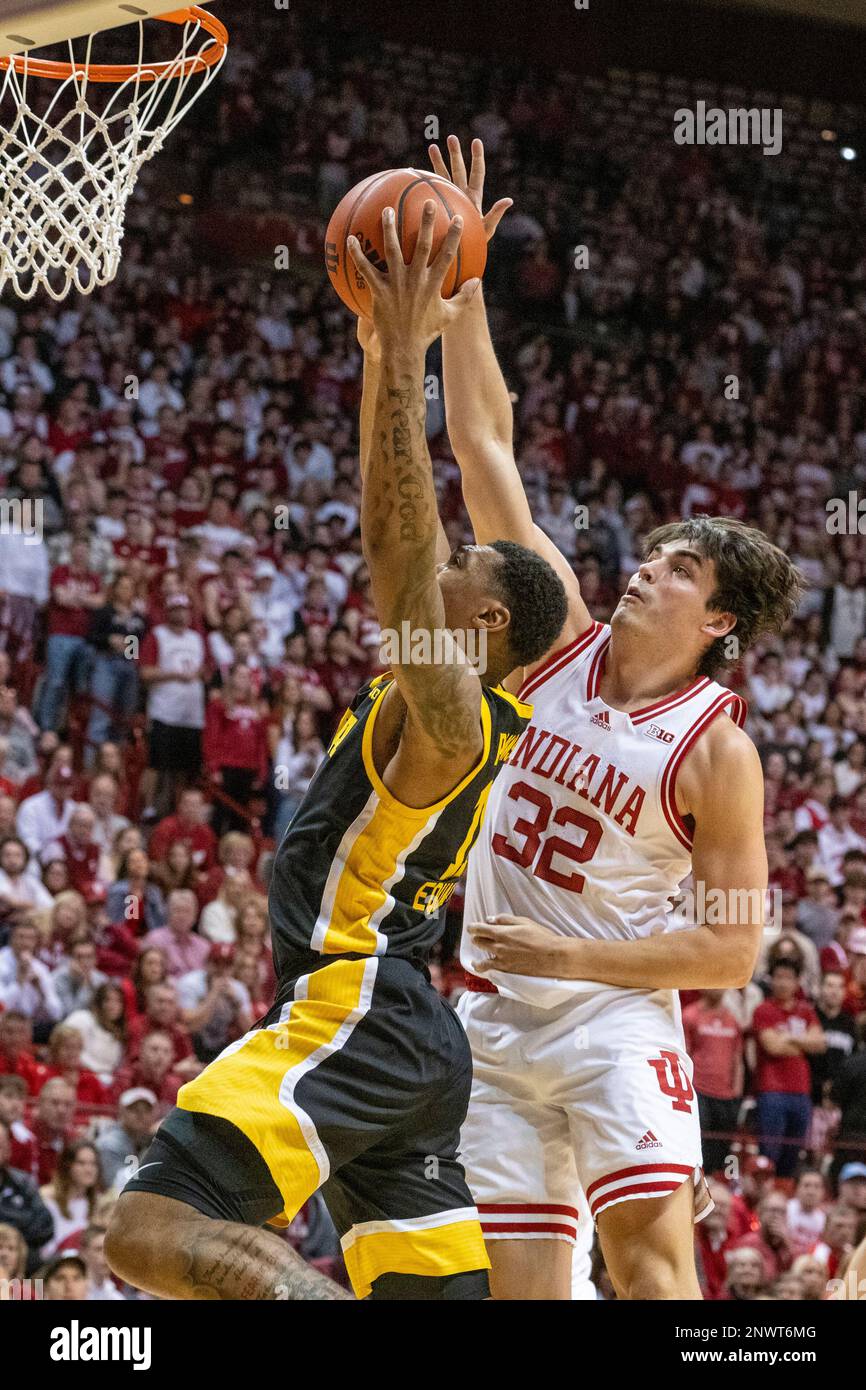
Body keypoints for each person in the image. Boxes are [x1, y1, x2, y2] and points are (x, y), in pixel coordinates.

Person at [105, 203, 568, 1302]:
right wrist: (395, 349)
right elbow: (473, 460)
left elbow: (398, 553)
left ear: (487, 623)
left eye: (464, 564)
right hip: (409, 1032)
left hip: (355, 999)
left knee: (146, 1225)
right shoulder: (471, 703)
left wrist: (402, 356)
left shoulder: (452, 709)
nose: (444, 560)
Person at [428, 137, 803, 1299]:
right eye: (652, 554)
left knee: (650, 1277)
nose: (647, 569)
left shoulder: (716, 747)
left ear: (719, 620)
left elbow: (732, 948)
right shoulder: (551, 639)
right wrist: (465, 286)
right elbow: (483, 445)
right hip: (487, 1025)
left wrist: (572, 954)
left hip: (611, 1024)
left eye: (679, 568)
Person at [752, 960, 825, 1177]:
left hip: (801, 1093)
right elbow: (772, 1047)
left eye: (788, 978)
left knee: (793, 1153)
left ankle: (785, 1194)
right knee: (769, 1152)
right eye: (779, 977)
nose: (783, 983)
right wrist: (804, 1044)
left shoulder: (806, 1010)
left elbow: (820, 1044)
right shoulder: (763, 1010)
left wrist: (789, 1038)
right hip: (771, 1091)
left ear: (797, 982)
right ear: (771, 981)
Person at [681, 989, 743, 1176]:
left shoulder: (732, 1020)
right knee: (700, 1142)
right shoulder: (690, 1016)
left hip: (726, 1094)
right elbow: (684, 1054)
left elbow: (737, 1059)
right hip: (699, 1090)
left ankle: (718, 1182)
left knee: (723, 1145)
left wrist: (736, 1092)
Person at [0, 1118, 54, 1272]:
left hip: (23, 1264)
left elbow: (45, 1226)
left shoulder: (23, 1182)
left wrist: (11, 1240)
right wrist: (19, 1220)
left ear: (8, 1150)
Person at [39, 1140, 101, 1256]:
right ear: (67, 1165)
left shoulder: (98, 1202)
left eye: (93, 1164)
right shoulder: (47, 1199)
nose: (89, 1170)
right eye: (81, 1163)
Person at [94, 1089, 157, 1191]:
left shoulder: (146, 1140)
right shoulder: (110, 1143)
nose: (141, 1115)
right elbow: (116, 1187)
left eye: (146, 1110)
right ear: (121, 1111)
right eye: (134, 1109)